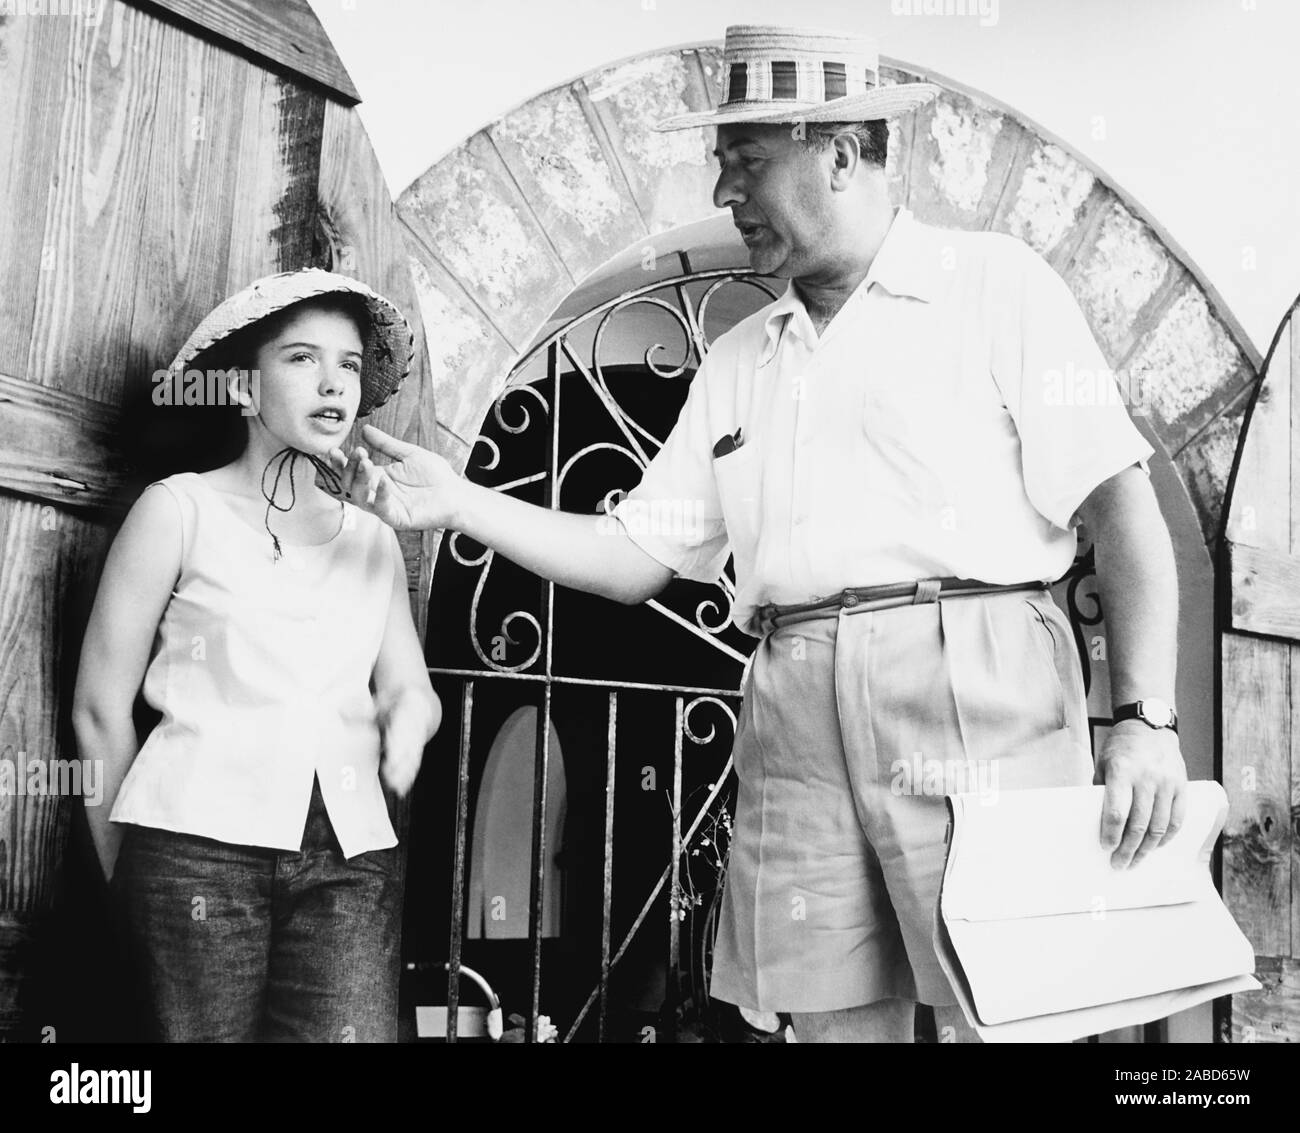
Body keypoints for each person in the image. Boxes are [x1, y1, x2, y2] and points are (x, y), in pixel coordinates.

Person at [330, 25, 1186, 1044]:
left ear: (840, 151)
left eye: (747, 164)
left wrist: (1143, 718)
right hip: (793, 695)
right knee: (822, 1020)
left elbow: (1120, 505)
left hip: (974, 667)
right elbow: (632, 556)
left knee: (1001, 1014)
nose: (725, 193)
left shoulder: (997, 285)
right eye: (720, 165)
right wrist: (459, 501)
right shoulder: (740, 356)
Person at [73, 268, 441, 1042]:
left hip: (347, 860)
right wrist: (126, 872)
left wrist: (408, 722)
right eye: (302, 358)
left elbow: (412, 685)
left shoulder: (373, 534)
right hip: (193, 859)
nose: (333, 381)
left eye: (347, 363)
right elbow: (100, 707)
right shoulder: (178, 509)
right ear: (244, 387)